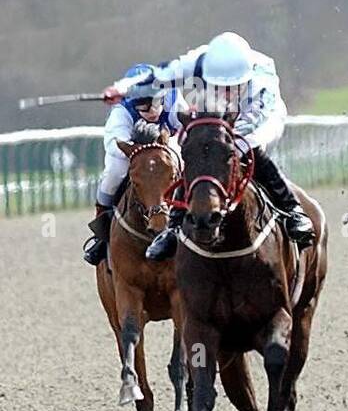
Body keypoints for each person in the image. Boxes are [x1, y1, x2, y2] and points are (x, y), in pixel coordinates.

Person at [101, 31, 316, 260]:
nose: (225, 93)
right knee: (194, 149)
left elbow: (249, 126)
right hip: (219, 115)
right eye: (218, 86)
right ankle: (173, 228)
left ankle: (293, 211)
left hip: (260, 120)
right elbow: (158, 76)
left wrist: (219, 138)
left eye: (232, 87)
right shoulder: (199, 61)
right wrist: (121, 89)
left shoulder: (261, 82)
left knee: (244, 149)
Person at [82, 64, 184, 265]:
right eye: (144, 107)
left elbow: (185, 127)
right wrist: (139, 152)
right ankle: (102, 234)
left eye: (156, 102)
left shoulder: (173, 97)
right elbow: (114, 143)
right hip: (131, 152)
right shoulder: (121, 111)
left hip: (167, 146)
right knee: (114, 171)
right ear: (132, 102)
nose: (153, 111)